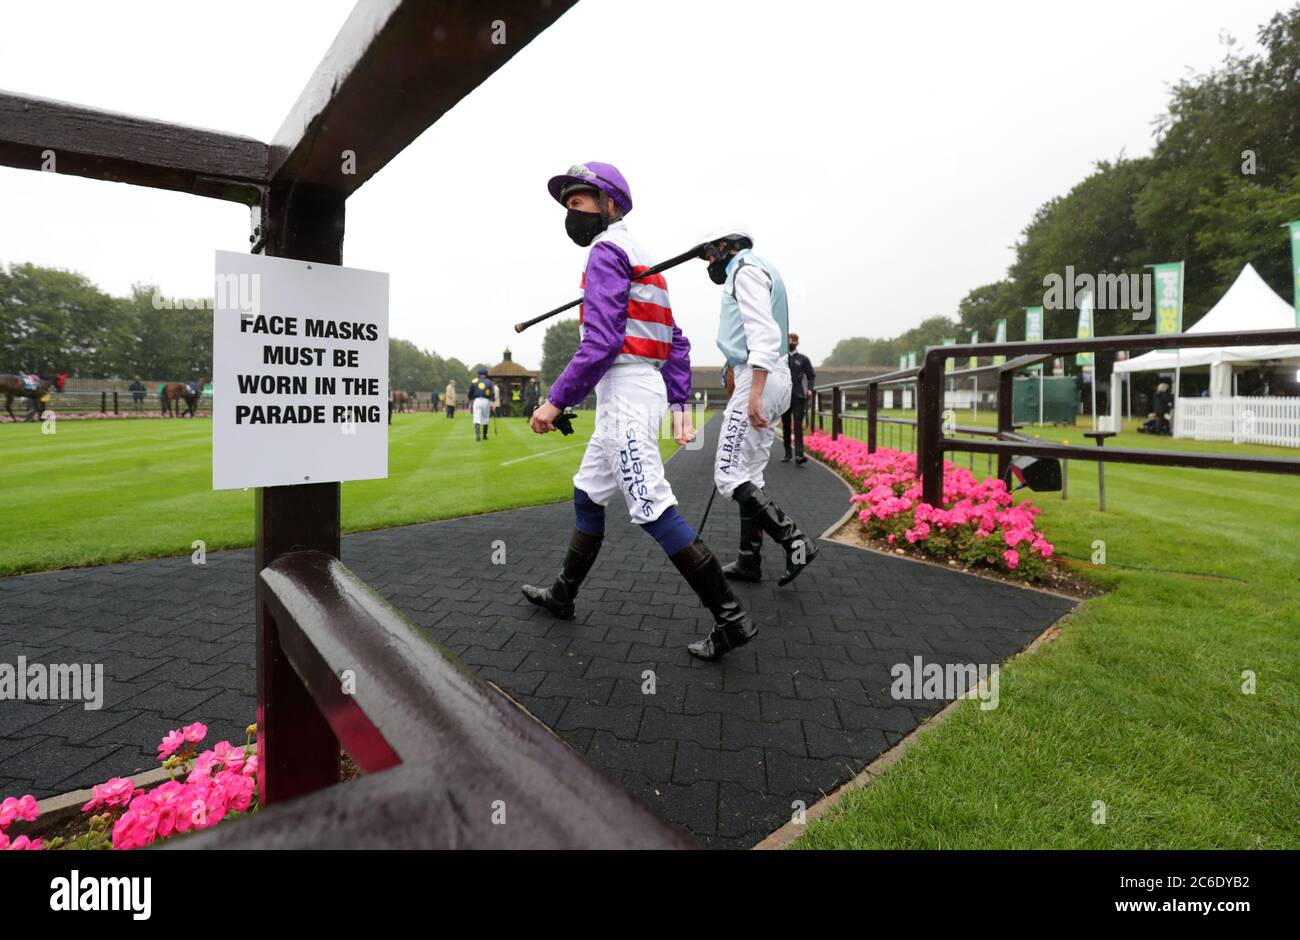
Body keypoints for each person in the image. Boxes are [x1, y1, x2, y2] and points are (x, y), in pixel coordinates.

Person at [522, 161, 756, 662]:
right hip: (632, 391)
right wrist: (676, 403)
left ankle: (730, 617)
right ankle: (564, 594)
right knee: (588, 492)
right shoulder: (638, 254)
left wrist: (555, 401)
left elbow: (602, 342)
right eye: (567, 206)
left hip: (626, 393)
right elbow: (677, 340)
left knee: (650, 503)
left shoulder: (609, 251)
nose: (571, 213)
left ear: (609, 204)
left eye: (578, 202)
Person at [697, 229, 818, 587]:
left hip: (759, 377)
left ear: (724, 249)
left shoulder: (743, 269)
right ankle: (750, 561)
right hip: (767, 377)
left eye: (709, 256)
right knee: (749, 474)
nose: (709, 264)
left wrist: (755, 390)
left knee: (728, 475)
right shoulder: (761, 267)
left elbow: (763, 333)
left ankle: (796, 542)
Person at [781, 332, 815, 464]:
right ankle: (787, 453)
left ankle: (799, 455)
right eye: (789, 340)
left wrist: (810, 389)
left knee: (798, 427)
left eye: (794, 341)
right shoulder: (781, 359)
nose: (791, 343)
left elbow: (811, 376)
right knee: (786, 426)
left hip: (799, 397)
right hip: (784, 398)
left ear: (797, 343)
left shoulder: (803, 359)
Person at [468, 368, 494, 441]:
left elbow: (470, 392)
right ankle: (485, 435)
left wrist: (470, 398)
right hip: (486, 401)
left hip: (477, 401)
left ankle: (478, 434)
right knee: (485, 418)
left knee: (477, 417)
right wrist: (493, 400)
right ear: (486, 374)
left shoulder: (474, 381)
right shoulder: (489, 381)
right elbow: (492, 393)